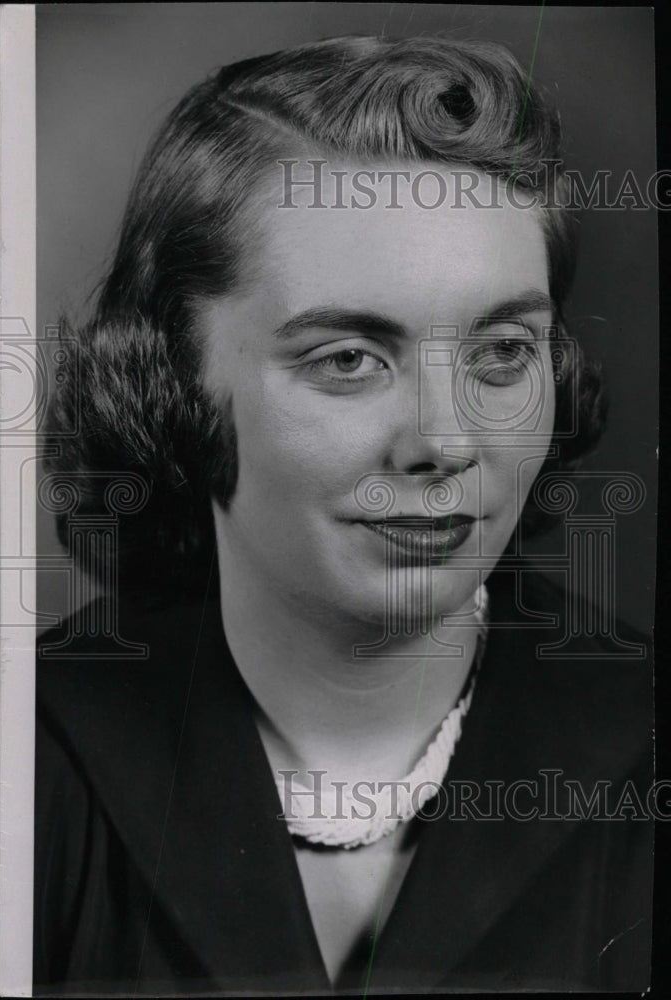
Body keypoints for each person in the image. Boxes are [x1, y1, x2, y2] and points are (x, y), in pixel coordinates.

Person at [34, 35, 653, 995]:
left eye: (501, 352)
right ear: (167, 386)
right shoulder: (33, 753)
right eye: (348, 360)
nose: (445, 443)